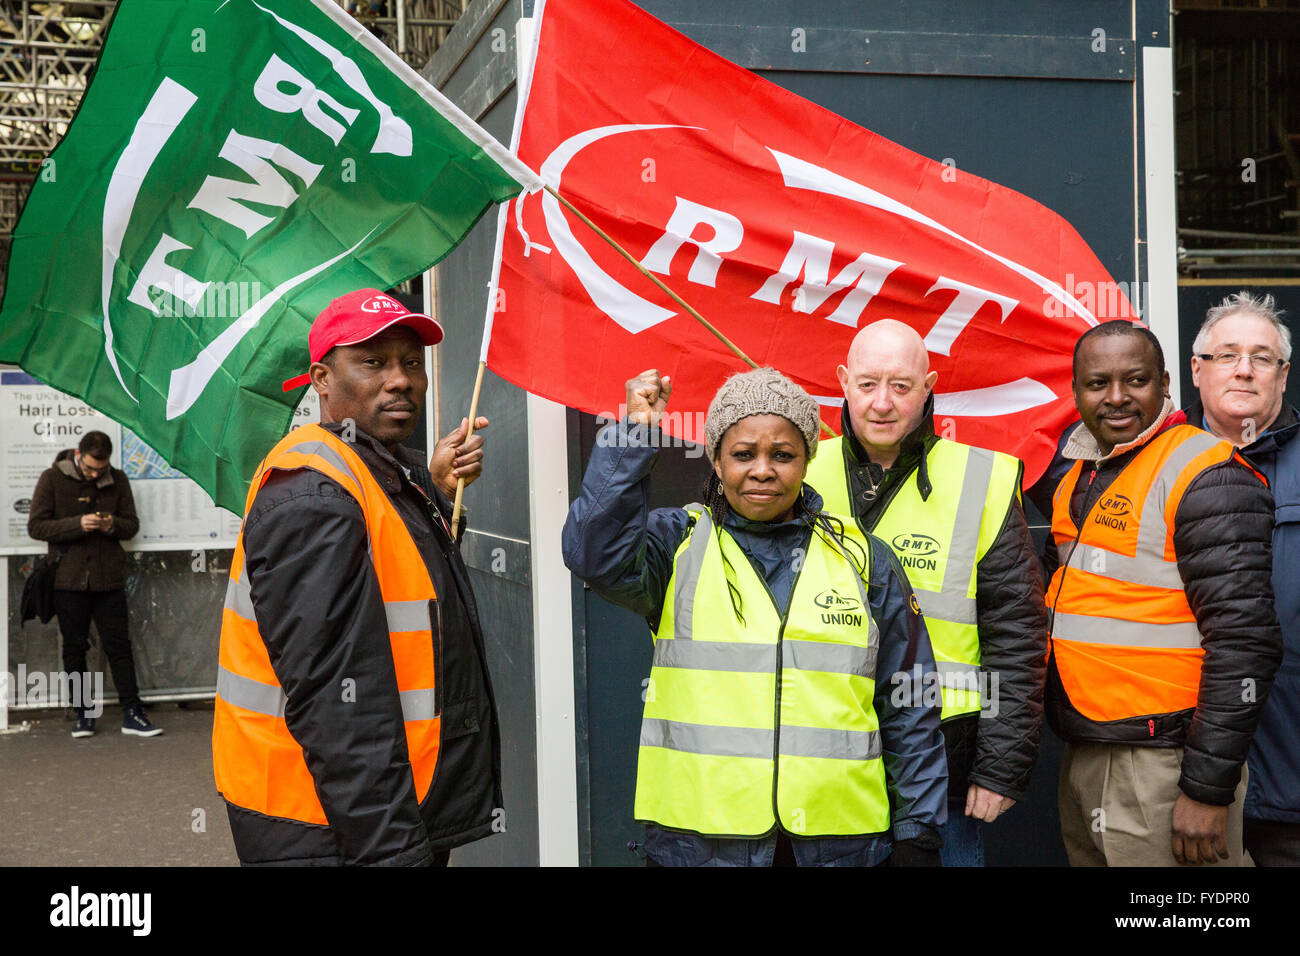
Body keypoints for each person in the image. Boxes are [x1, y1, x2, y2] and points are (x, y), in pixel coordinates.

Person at [562, 366, 948, 867]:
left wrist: (918, 833)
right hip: (700, 848)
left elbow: (910, 704)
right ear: (717, 463)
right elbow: (593, 552)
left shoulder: (863, 558)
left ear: (807, 460)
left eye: (783, 455)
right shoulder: (677, 542)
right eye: (743, 454)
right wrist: (635, 435)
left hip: (842, 848)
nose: (763, 470)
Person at [212, 288, 500, 867]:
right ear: (322, 378)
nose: (400, 380)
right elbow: (339, 705)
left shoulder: (372, 469)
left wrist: (437, 496)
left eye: (411, 362)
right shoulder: (315, 496)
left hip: (360, 813)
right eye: (372, 362)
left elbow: (404, 590)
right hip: (327, 825)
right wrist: (392, 852)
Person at [803, 319, 1047, 866]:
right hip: (822, 767)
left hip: (943, 771)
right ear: (842, 382)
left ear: (929, 385)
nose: (883, 403)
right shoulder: (798, 473)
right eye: (867, 384)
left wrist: (999, 766)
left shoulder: (979, 479)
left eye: (901, 385)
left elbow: (1018, 634)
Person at [1041, 320, 1281, 866]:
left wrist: (1205, 789)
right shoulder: (1082, 475)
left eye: (1136, 380)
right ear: (1076, 392)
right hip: (1089, 749)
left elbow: (1246, 644)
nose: (1117, 397)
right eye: (1098, 383)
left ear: (1167, 383)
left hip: (1165, 766)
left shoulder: (1205, 474)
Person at [1183, 291, 1298, 866]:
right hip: (1180, 780)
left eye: (1261, 357)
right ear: (1197, 370)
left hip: (1292, 779)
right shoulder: (1154, 465)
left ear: (1283, 375)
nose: (1245, 369)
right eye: (1228, 355)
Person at [28, 430, 159, 738]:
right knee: (74, 648)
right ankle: (83, 714)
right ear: (78, 454)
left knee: (119, 646)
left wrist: (111, 523)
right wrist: (78, 524)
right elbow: (36, 526)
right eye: (90, 469)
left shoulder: (118, 479)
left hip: (108, 578)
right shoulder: (52, 478)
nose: (96, 474)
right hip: (68, 580)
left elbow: (131, 526)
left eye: (101, 469)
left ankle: (133, 712)